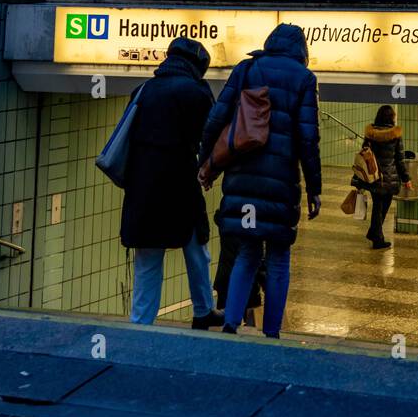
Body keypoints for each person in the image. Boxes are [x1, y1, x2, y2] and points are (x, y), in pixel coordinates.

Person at [199, 23, 321, 338]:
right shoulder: (304, 79)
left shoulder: (247, 68)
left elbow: (218, 118)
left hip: (242, 176)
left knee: (247, 251)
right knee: (279, 257)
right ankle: (272, 332)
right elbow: (308, 139)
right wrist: (314, 189)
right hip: (281, 181)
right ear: (301, 50)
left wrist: (206, 163)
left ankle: (230, 322)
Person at [120, 37, 223, 329]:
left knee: (148, 257)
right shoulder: (196, 91)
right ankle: (203, 310)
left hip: (143, 187)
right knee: (196, 247)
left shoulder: (143, 90)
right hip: (179, 185)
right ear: (198, 65)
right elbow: (210, 135)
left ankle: (141, 323)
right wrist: (210, 170)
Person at [355, 105, 412, 249]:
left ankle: (375, 233)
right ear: (391, 118)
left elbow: (364, 152)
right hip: (389, 177)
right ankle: (377, 238)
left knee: (378, 206)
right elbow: (400, 159)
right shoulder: (395, 135)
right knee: (382, 207)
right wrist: (406, 179)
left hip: (373, 176)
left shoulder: (371, 133)